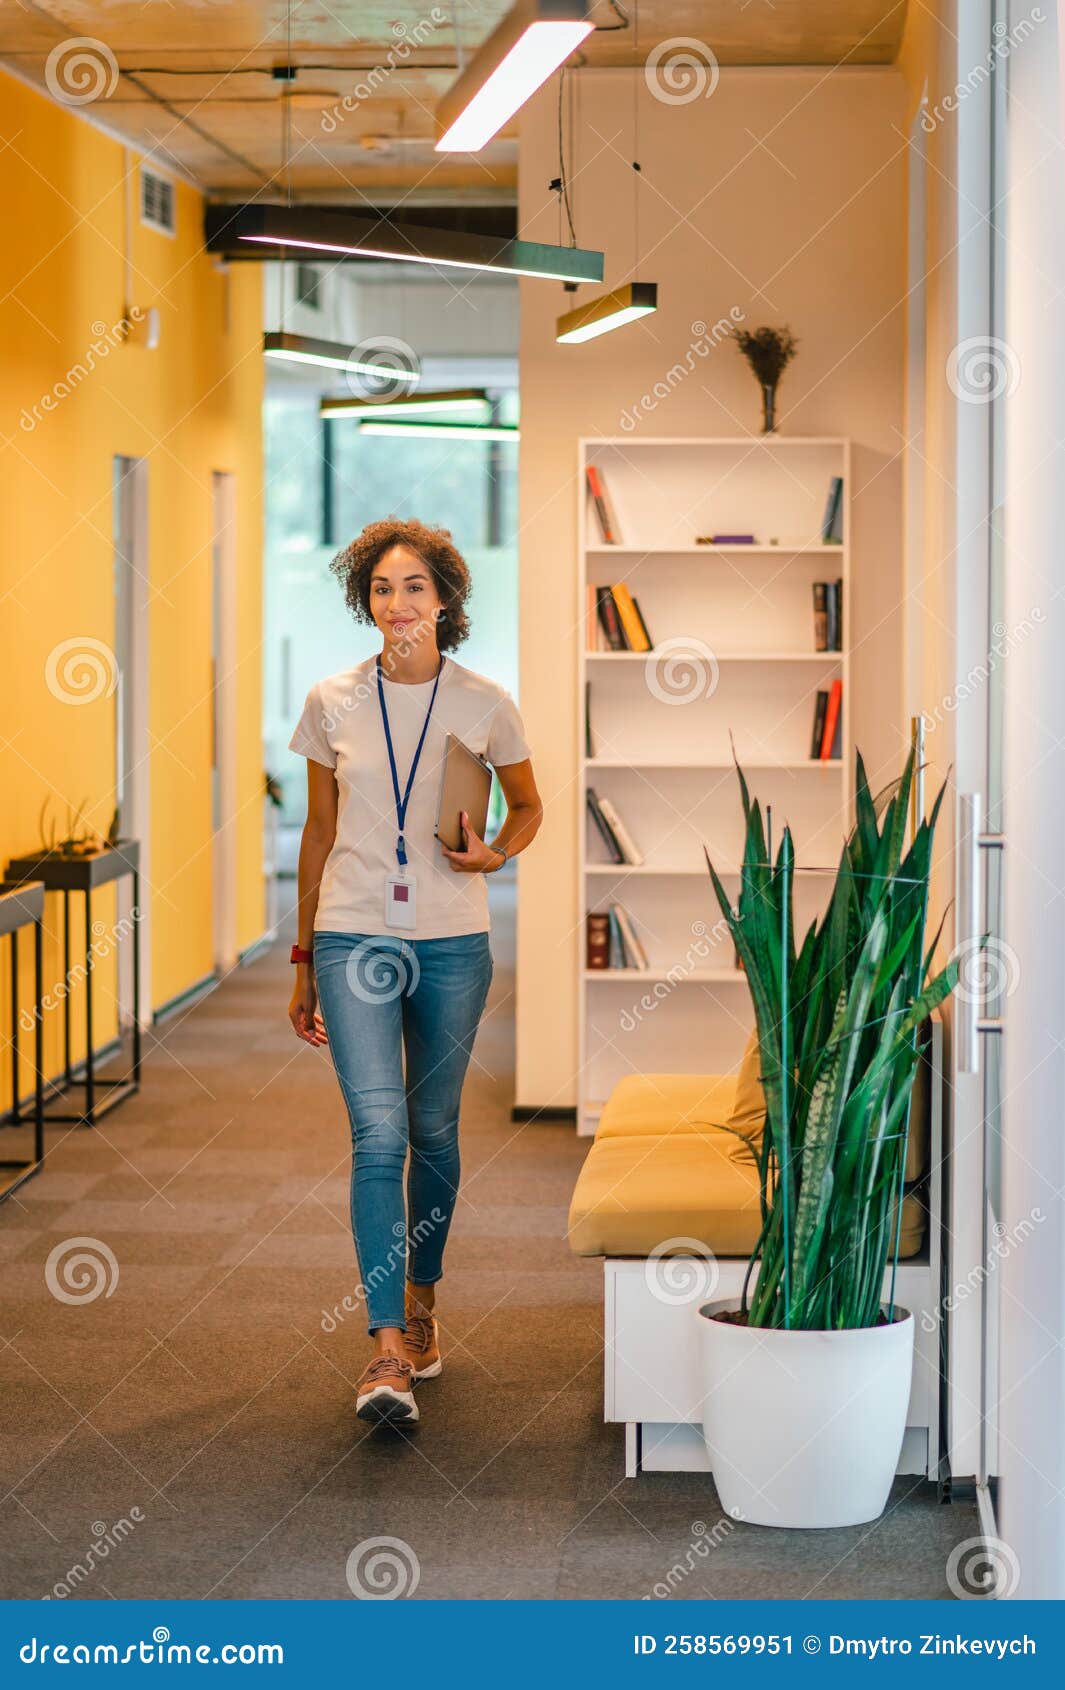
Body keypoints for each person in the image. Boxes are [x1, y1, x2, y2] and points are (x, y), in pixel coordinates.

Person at [287, 517, 542, 1426]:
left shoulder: (484, 700)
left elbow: (529, 808)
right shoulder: (329, 701)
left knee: (433, 1130)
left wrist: (495, 856)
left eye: (415, 589)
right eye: (382, 589)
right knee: (378, 1137)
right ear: (367, 601)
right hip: (355, 934)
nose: (398, 605)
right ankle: (385, 1347)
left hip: (450, 939)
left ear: (445, 601)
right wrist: (305, 955)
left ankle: (423, 1301)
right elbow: (317, 834)